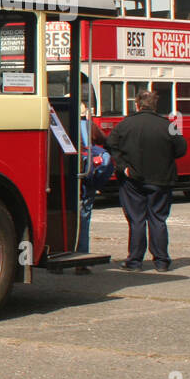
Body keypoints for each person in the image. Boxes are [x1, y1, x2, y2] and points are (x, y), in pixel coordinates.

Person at [106, 89, 187, 271]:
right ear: (155, 106)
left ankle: (134, 261)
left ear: (137, 105)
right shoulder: (168, 126)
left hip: (132, 178)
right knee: (158, 219)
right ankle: (162, 261)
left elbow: (110, 144)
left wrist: (123, 166)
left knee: (136, 219)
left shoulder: (125, 124)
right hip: (161, 178)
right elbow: (181, 149)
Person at [75, 103, 109, 274]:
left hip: (63, 179)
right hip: (86, 180)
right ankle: (81, 261)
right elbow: (104, 142)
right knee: (83, 220)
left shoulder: (57, 125)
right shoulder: (89, 126)